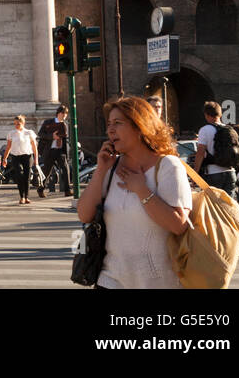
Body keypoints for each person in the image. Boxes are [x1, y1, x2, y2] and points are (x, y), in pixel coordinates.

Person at [76, 96, 191, 289]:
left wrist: (141, 189)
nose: (110, 130)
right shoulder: (111, 168)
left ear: (140, 126)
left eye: (118, 123)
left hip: (157, 283)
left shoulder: (168, 166)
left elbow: (178, 224)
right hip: (110, 280)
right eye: (109, 124)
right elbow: (84, 214)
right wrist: (100, 170)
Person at [194, 101, 239, 197]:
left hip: (213, 173)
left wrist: (195, 173)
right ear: (220, 114)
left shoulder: (205, 130)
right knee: (228, 206)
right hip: (231, 173)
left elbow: (200, 153)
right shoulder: (231, 129)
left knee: (214, 207)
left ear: (206, 115)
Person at [2, 115, 39, 205]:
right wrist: (5, 158)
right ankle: (21, 196)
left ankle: (26, 197)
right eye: (15, 124)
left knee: (27, 177)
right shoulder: (11, 133)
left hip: (27, 156)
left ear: (23, 123)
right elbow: (8, 147)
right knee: (19, 174)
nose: (16, 126)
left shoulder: (29, 133)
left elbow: (34, 147)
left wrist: (36, 159)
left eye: (18, 124)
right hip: (16, 156)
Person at [37, 105, 71, 196]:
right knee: (46, 171)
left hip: (60, 151)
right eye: (63, 113)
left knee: (65, 169)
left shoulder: (64, 125)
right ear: (58, 113)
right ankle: (41, 189)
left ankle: (67, 190)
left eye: (66, 114)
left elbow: (65, 139)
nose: (65, 115)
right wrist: (52, 136)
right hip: (49, 150)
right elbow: (40, 134)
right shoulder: (48, 122)